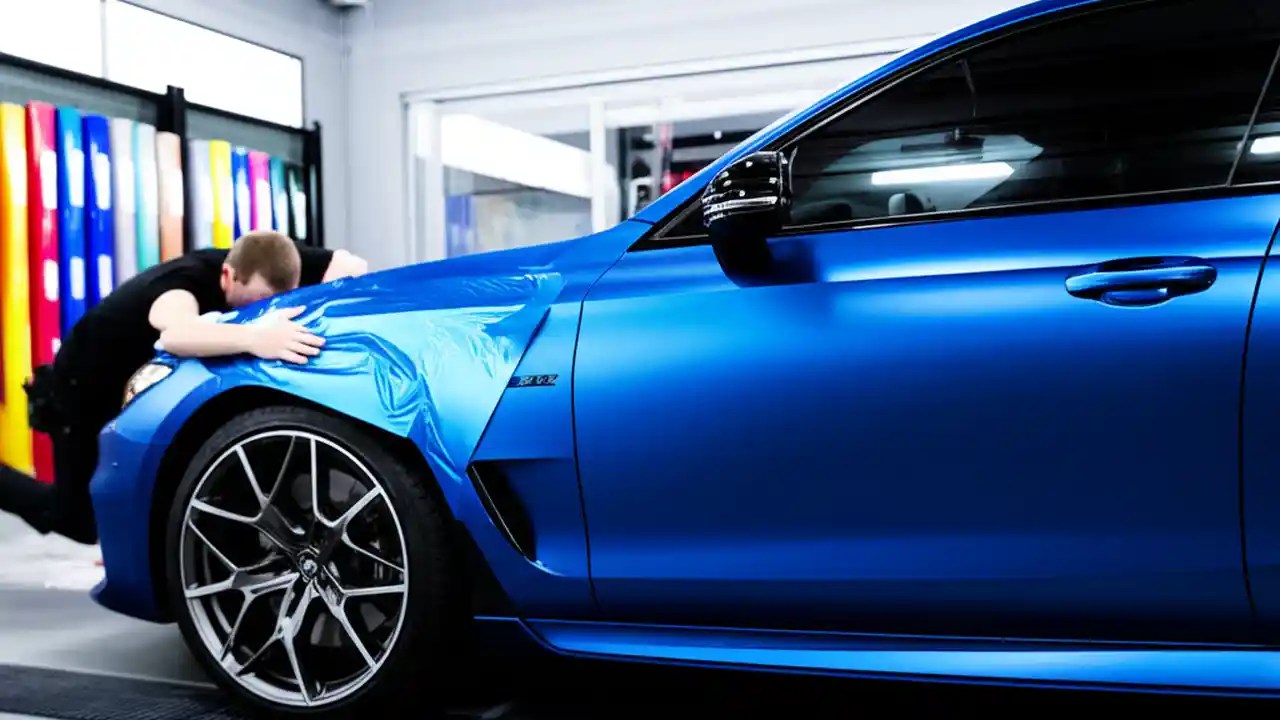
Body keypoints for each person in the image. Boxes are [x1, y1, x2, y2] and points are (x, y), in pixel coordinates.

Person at [0, 230, 368, 545]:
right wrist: (256, 337)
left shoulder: (276, 259)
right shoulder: (184, 284)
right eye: (256, 301)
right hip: (83, 386)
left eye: (274, 301)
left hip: (136, 383)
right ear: (228, 275)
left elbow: (351, 265)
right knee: (78, 521)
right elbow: (174, 334)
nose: (264, 308)